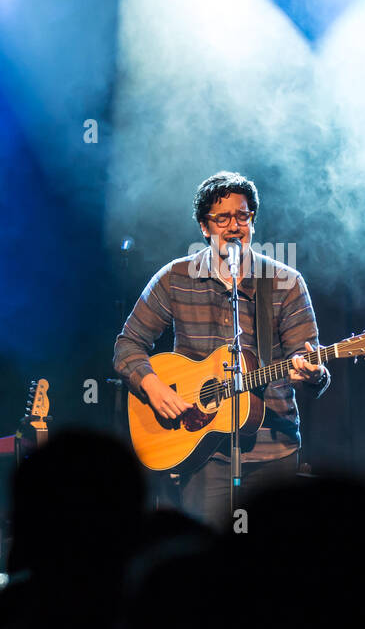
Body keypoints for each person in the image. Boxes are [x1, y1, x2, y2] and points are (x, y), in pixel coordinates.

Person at [114, 171, 330, 528]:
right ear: (204, 226)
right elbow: (127, 345)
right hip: (202, 451)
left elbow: (309, 363)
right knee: (207, 565)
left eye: (242, 216)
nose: (234, 226)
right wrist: (152, 387)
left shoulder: (285, 283)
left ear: (253, 222)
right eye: (222, 218)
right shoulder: (175, 278)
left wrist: (314, 372)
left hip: (273, 449)